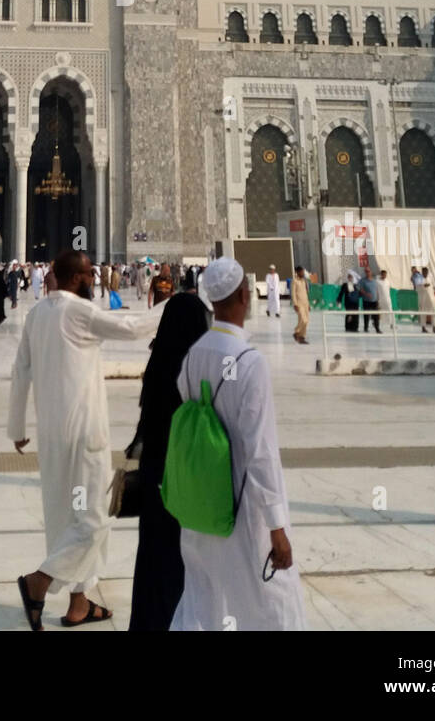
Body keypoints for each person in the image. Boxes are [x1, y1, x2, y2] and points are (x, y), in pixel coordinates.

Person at [10, 250, 159, 630]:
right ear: (76, 278)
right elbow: (130, 328)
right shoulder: (77, 311)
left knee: (65, 517)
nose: (94, 278)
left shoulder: (37, 314)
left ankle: (79, 603)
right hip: (85, 435)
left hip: (53, 436)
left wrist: (17, 428)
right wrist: (172, 307)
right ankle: (38, 583)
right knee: (93, 519)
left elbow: (20, 370)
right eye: (90, 273)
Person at [169, 257, 306, 632]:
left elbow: (188, 408)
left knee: (202, 602)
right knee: (271, 604)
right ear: (245, 295)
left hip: (200, 507)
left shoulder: (194, 355)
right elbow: (260, 452)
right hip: (243, 511)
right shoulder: (249, 361)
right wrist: (277, 527)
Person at [129, 291, 210, 632]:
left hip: (153, 476)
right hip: (179, 483)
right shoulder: (191, 369)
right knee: (176, 566)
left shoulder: (159, 360)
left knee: (152, 561)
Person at [291, 266, 310, 344]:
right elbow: (293, 294)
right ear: (298, 272)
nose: (303, 273)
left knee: (306, 321)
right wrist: (295, 304)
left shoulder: (304, 281)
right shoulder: (294, 281)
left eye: (303, 272)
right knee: (303, 320)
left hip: (305, 303)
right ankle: (297, 332)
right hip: (299, 304)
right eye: (301, 272)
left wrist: (308, 305)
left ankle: (302, 337)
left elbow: (306, 293)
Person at [418, 267, 435, 334]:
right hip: (423, 300)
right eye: (424, 272)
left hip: (431, 299)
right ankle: (423, 328)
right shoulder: (419, 280)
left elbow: (433, 287)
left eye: (426, 272)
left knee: (434, 311)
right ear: (422, 272)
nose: (425, 273)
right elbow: (417, 289)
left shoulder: (430, 278)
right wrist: (423, 286)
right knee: (423, 313)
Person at [376, 269, 393, 333]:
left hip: (387, 299)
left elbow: (388, 289)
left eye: (385, 274)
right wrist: (377, 300)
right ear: (381, 274)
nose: (384, 276)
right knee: (379, 312)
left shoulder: (387, 281)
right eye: (383, 274)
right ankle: (376, 323)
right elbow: (376, 291)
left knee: (390, 310)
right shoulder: (377, 282)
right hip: (380, 299)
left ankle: (391, 324)